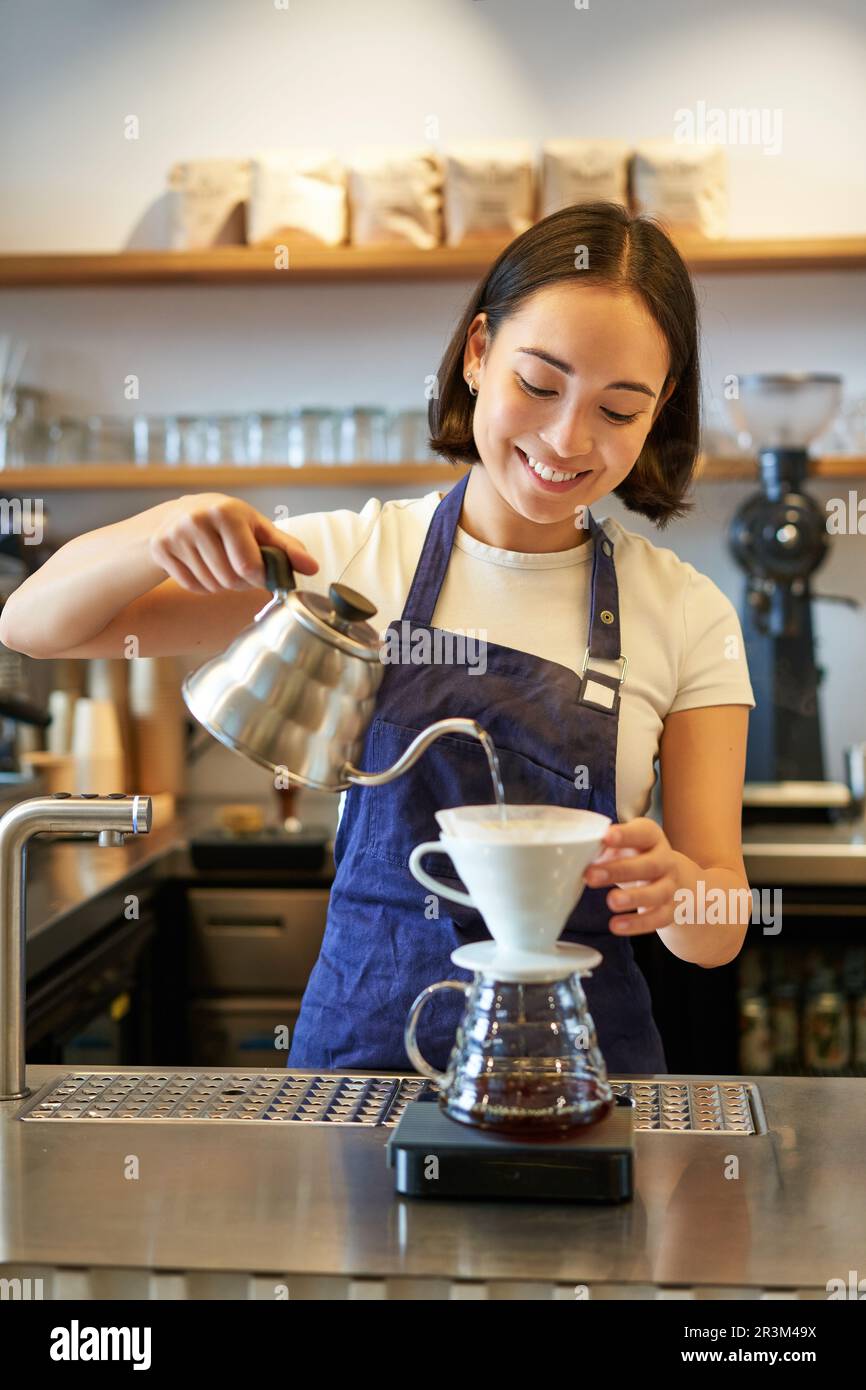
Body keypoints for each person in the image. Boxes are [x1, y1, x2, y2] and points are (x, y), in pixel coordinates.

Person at [0, 202, 755, 1075]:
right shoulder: (353, 558)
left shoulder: (688, 612)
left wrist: (679, 893)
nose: (566, 439)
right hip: (359, 1072)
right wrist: (160, 527)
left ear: (658, 410)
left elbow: (719, 931)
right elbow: (35, 626)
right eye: (539, 385)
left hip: (580, 1080)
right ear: (478, 355)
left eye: (618, 411)